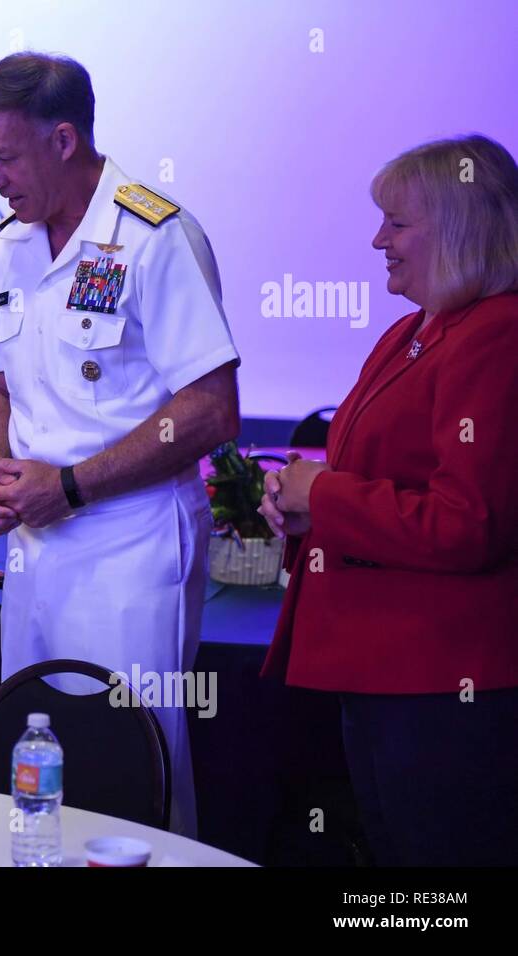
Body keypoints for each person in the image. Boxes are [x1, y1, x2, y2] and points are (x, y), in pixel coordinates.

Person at [0, 53, 241, 836]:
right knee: (33, 748)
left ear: (62, 140)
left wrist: (75, 484)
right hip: (33, 542)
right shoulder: (3, 247)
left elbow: (213, 409)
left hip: (131, 544)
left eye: (6, 157)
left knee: (132, 762)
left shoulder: (156, 236)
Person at [259, 134, 518, 866]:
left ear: (461, 225)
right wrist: (301, 506)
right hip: (385, 672)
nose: (379, 240)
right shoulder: (413, 332)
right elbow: (375, 481)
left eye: (397, 223)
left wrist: (327, 494)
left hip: (443, 683)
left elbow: (469, 525)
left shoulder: (497, 335)